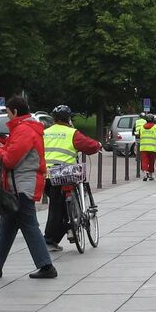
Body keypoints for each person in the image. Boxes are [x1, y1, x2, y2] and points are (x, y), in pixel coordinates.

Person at [0, 95, 57, 279]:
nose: (7, 116)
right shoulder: (24, 128)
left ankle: (47, 266)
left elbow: (11, 160)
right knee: (7, 225)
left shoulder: (24, 130)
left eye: (7, 112)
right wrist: (4, 147)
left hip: (23, 186)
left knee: (29, 225)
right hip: (19, 185)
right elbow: (15, 151)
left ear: (15, 111)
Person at [42, 104, 101, 252]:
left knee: (57, 205)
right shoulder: (72, 133)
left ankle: (67, 229)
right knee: (58, 209)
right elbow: (89, 145)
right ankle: (51, 238)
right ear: (68, 119)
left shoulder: (45, 133)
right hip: (65, 174)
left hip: (46, 175)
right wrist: (98, 145)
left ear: (53, 119)